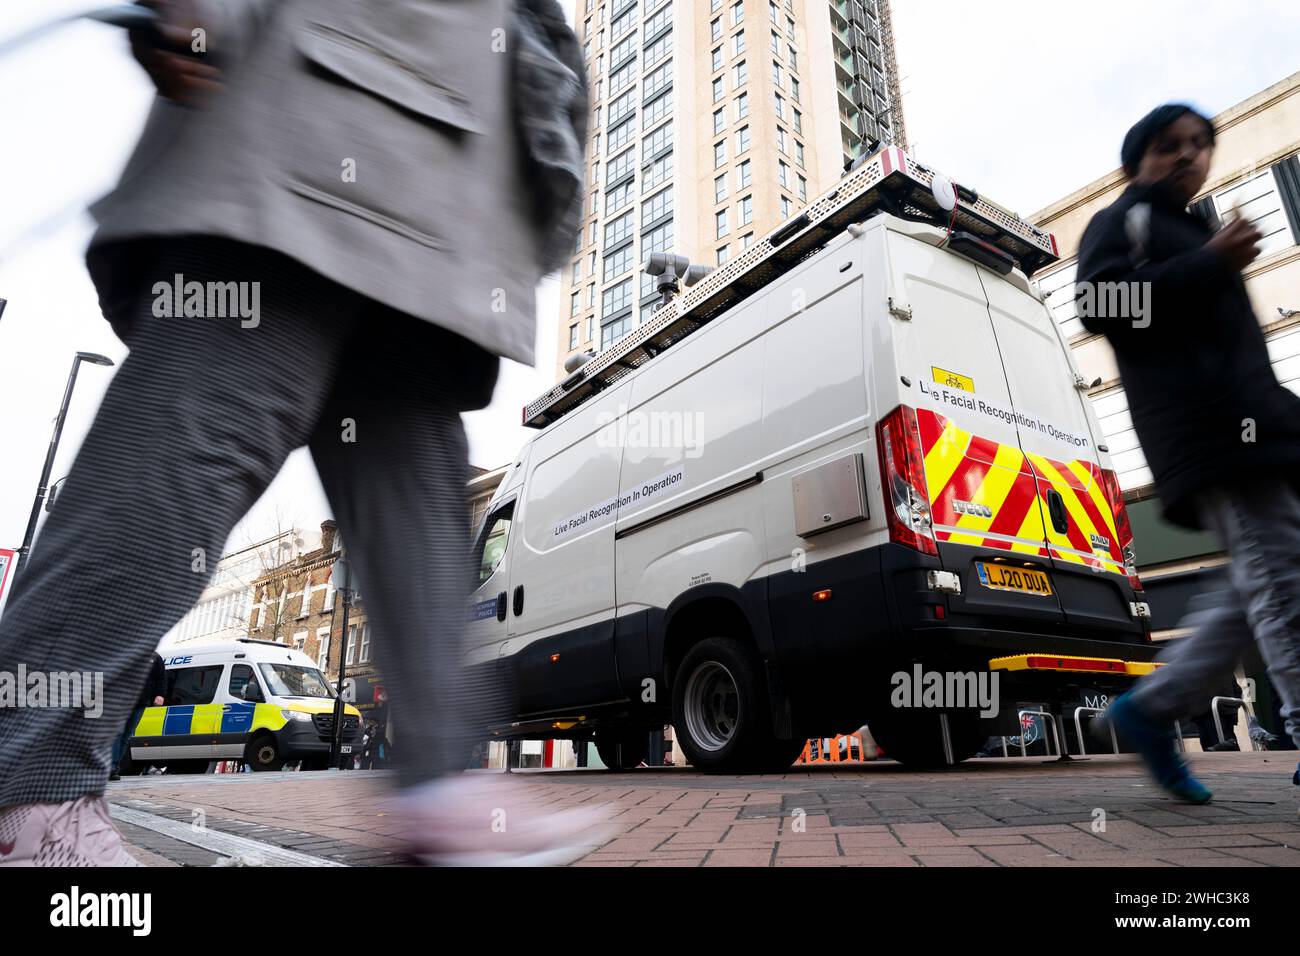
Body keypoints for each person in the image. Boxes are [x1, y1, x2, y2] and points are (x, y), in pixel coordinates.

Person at [0, 0, 612, 866]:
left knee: (417, 476)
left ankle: (438, 783)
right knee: (209, 419)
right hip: (322, 118)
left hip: (442, 197)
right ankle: (26, 778)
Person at [1078, 103, 1300, 804]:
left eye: (1201, 145)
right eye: (1170, 145)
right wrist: (1208, 265)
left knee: (1251, 588)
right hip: (1211, 436)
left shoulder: (1197, 227)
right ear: (1136, 159)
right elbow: (1101, 304)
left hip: (1259, 432)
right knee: (1283, 578)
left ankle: (1148, 711)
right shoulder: (1125, 221)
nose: (1189, 156)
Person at [109, 652, 168, 780]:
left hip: (141, 702)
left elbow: (161, 678)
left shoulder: (155, 658)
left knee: (126, 735)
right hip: (120, 701)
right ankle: (111, 768)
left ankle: (114, 768)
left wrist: (160, 695)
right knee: (117, 734)